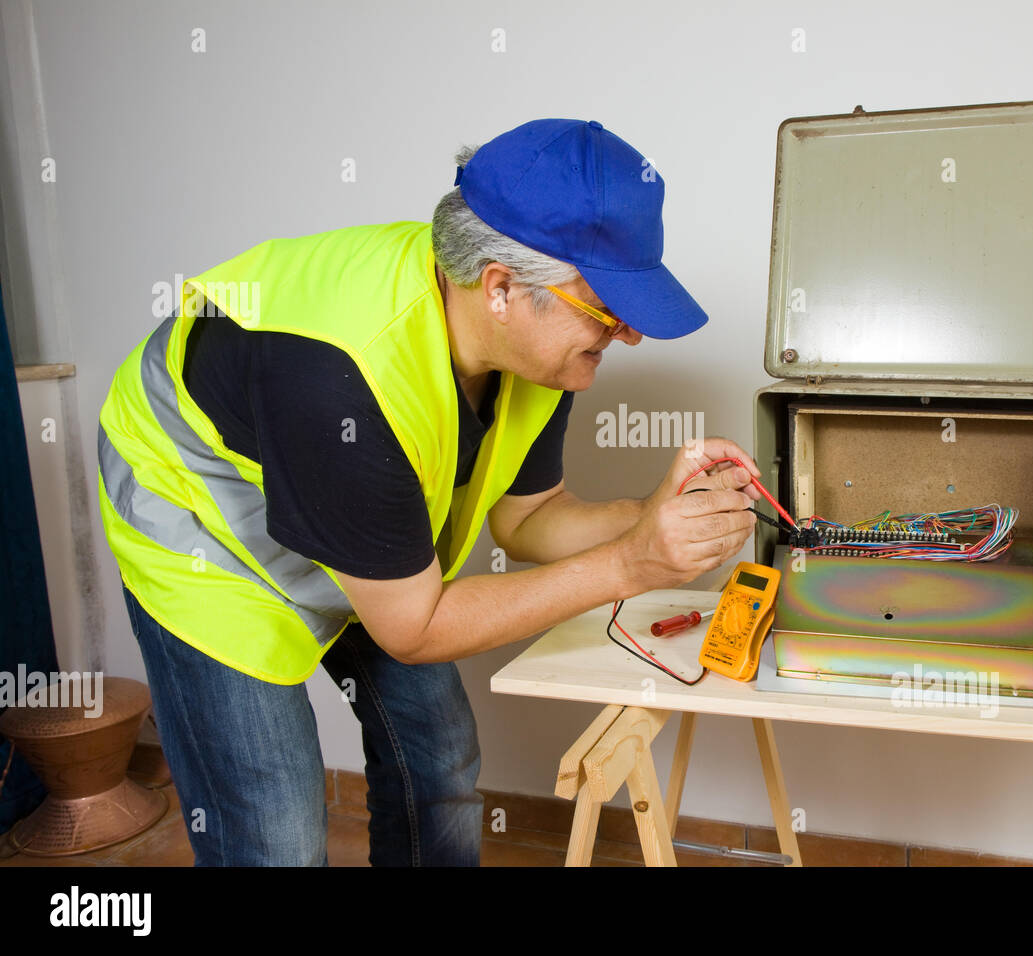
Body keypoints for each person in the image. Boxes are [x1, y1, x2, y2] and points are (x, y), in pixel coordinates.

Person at [97, 118, 761, 866]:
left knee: (437, 750)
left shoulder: (535, 354)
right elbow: (412, 628)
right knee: (276, 833)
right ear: (503, 288)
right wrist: (632, 565)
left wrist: (652, 519)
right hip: (201, 520)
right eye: (609, 312)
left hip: (338, 494)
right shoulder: (339, 377)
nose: (628, 337)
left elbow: (530, 521)